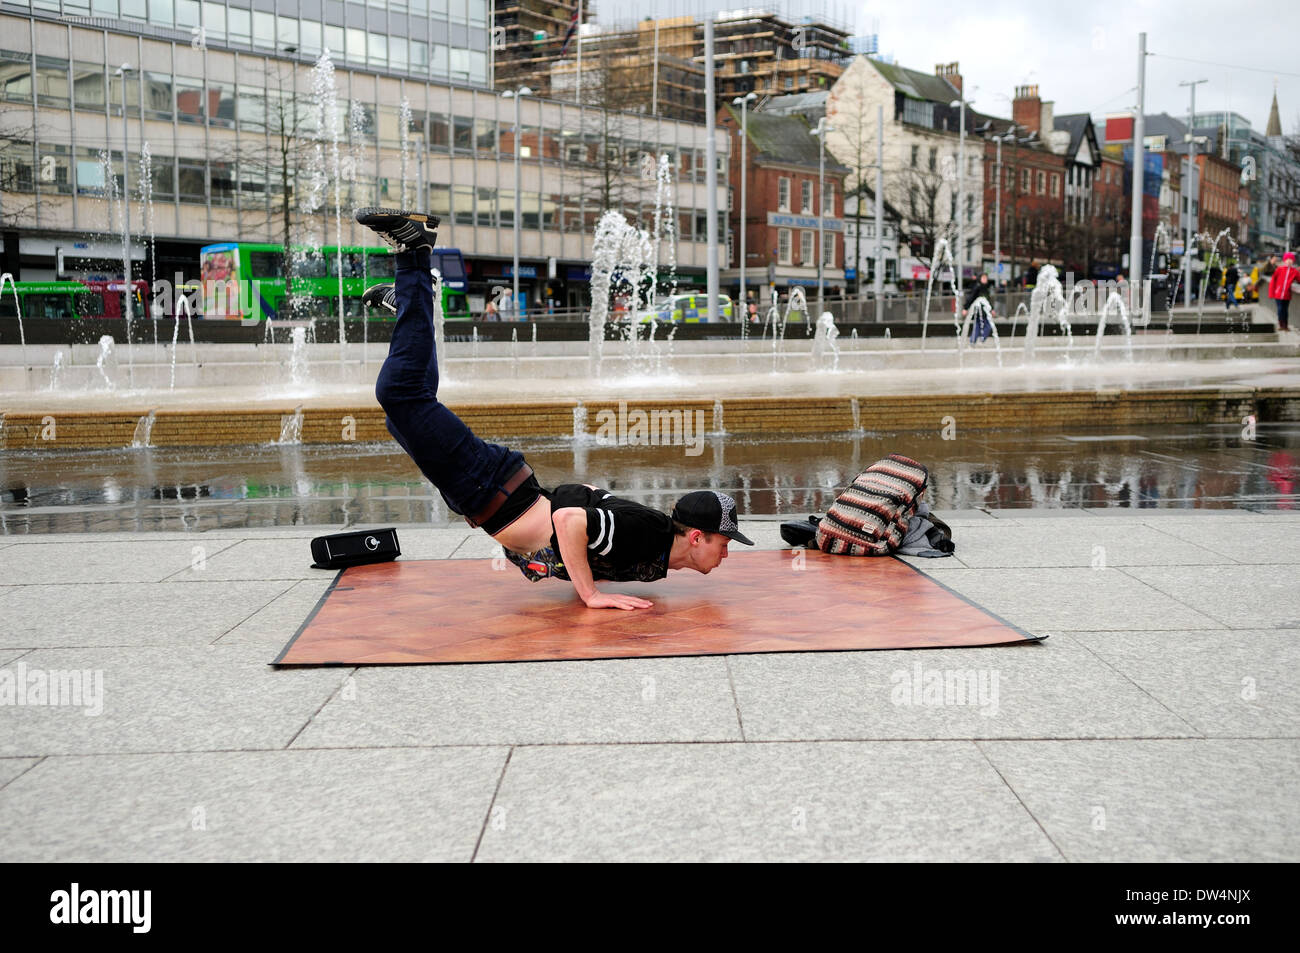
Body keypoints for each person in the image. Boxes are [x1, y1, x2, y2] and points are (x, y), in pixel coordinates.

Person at [354, 207, 754, 611]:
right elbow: (569, 517)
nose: (726, 554)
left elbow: (590, 494)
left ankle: (411, 301)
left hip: (485, 494)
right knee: (401, 395)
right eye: (724, 543)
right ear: (698, 536)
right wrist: (590, 593)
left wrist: (551, 559)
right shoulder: (650, 534)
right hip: (489, 487)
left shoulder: (656, 556)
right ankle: (415, 254)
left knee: (405, 408)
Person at [1267, 251, 1300, 332]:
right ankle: (1281, 324)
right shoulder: (1279, 269)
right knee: (1280, 309)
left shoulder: (1294, 271)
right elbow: (1273, 281)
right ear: (1284, 260)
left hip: (1287, 294)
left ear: (1293, 261)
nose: (1289, 261)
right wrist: (1271, 293)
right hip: (1278, 294)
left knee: (1285, 310)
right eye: (1287, 259)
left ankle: (1285, 325)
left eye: (1291, 259)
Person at [961, 273, 995, 344]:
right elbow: (971, 298)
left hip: (985, 312)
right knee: (982, 326)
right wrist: (965, 308)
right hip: (979, 311)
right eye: (983, 278)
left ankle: (975, 340)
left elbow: (988, 300)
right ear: (980, 279)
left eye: (986, 278)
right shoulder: (977, 287)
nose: (985, 279)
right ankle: (977, 340)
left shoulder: (986, 288)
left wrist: (991, 309)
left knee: (980, 326)